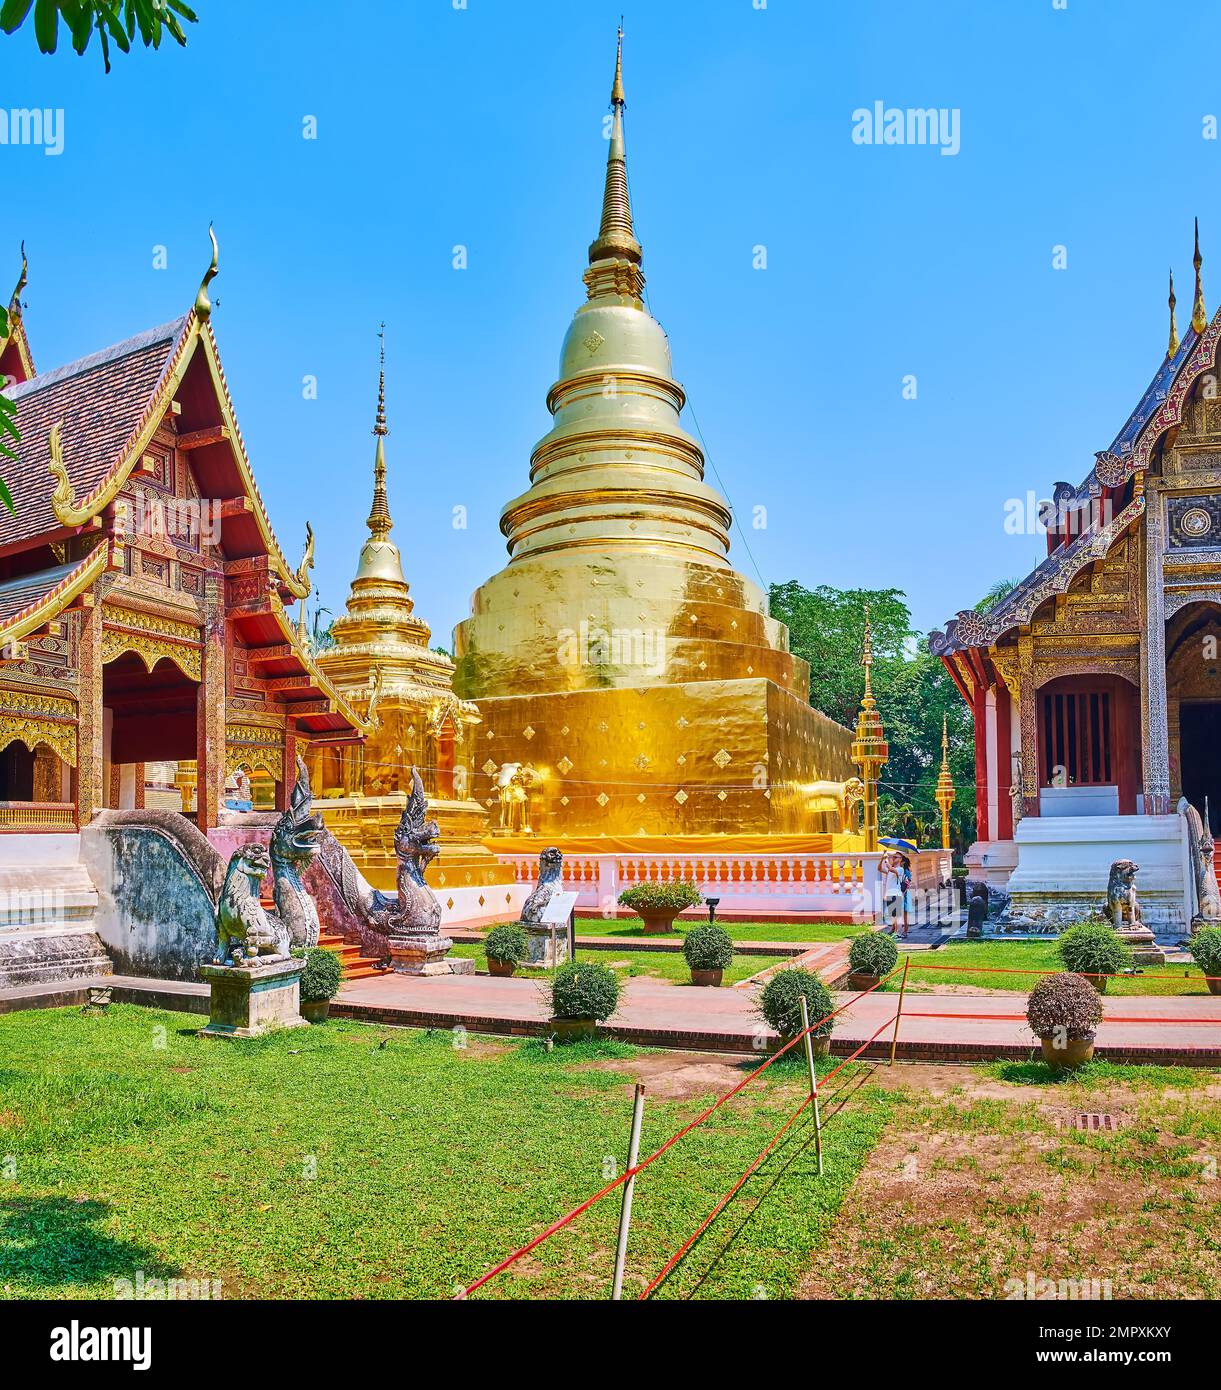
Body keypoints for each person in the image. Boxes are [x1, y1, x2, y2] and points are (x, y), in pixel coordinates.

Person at [880, 851, 904, 933]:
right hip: (890, 893)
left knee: (897, 915)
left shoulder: (900, 869)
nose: (893, 858)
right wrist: (882, 859)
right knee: (893, 915)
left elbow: (890, 868)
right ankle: (893, 930)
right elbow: (879, 869)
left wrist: (886, 859)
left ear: (900, 859)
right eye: (893, 857)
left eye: (895, 857)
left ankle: (899, 932)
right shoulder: (890, 870)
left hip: (896, 893)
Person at [898, 853, 913, 939]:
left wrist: (903, 892)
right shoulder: (902, 870)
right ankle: (901, 930)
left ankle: (905, 931)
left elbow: (907, 883)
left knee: (905, 913)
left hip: (904, 893)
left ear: (903, 862)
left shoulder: (905, 871)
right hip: (902, 892)